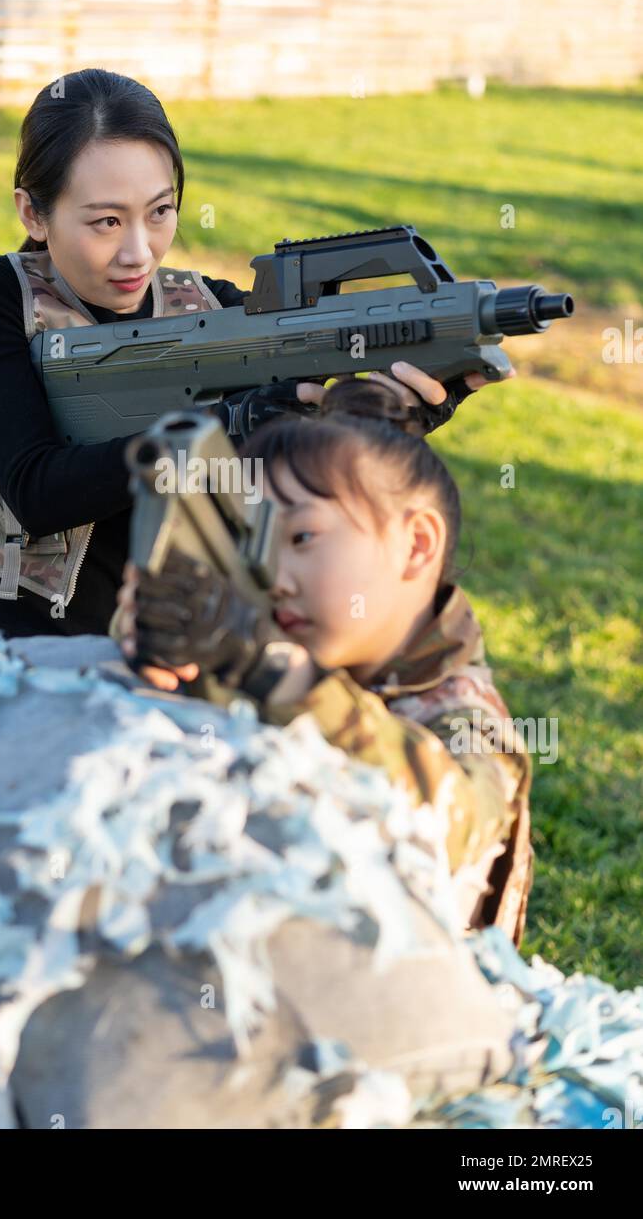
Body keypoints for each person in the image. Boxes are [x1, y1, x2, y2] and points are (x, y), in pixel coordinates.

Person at [0, 67, 509, 641]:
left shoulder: (216, 312)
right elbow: (37, 491)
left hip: (207, 651)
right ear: (32, 213)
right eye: (107, 222)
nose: (139, 252)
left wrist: (389, 416)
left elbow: (305, 481)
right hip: (40, 649)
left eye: (160, 211)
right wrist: (220, 427)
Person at [116, 378, 532, 942]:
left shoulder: (468, 720)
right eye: (256, 541)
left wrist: (271, 668)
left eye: (303, 537)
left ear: (416, 546)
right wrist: (170, 655)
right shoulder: (292, 659)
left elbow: (446, 823)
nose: (276, 578)